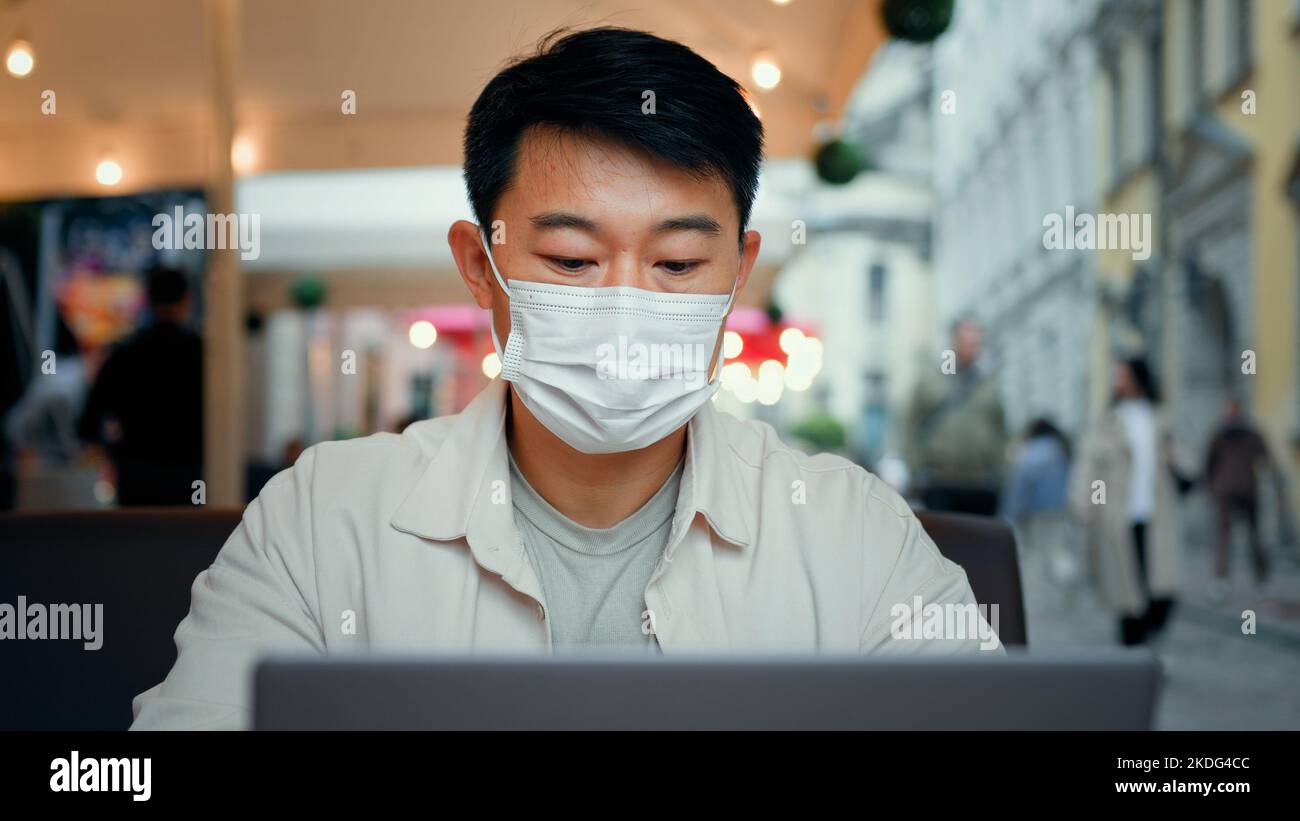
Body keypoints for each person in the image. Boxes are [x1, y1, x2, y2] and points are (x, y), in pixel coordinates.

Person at [132, 27, 997, 730]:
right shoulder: (324, 522)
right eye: (573, 259)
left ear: (738, 272)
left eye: (678, 260)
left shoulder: (852, 534)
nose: (625, 304)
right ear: (481, 266)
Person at [1070, 357, 1182, 646]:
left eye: (1122, 375)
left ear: (1138, 377)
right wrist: (1086, 504)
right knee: (1127, 591)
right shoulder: (1107, 420)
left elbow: (1185, 462)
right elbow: (1090, 466)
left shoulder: (1159, 417)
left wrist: (1177, 461)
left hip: (1157, 514)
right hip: (1117, 514)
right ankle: (1134, 652)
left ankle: (1146, 639)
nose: (1117, 381)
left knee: (1161, 590)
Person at [77, 265, 203, 506]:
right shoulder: (204, 356)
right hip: (191, 479)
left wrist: (119, 450)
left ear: (148, 300)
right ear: (187, 300)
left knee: (138, 542)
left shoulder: (124, 354)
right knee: (187, 541)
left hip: (136, 479)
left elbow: (88, 425)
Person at [906, 316, 1007, 515]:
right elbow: (910, 426)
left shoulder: (988, 384)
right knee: (943, 542)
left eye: (977, 342)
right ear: (954, 341)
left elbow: (1000, 430)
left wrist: (1000, 474)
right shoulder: (932, 380)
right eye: (968, 341)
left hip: (980, 483)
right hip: (939, 480)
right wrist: (916, 469)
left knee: (978, 542)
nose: (973, 347)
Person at [1203, 399, 1276, 603]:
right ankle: (1233, 580)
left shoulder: (1227, 434)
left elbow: (1209, 463)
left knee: (1237, 536)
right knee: (1232, 536)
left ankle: (1242, 579)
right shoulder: (1240, 434)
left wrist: (1210, 485)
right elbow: (1266, 460)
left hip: (1237, 489)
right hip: (1237, 489)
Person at [1001, 418, 1076, 588]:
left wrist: (1008, 517)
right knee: (1059, 553)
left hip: (1036, 514)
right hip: (1061, 511)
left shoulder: (1031, 454)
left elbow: (1018, 488)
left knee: (1037, 558)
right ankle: (1063, 592)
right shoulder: (1062, 450)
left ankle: (1042, 597)